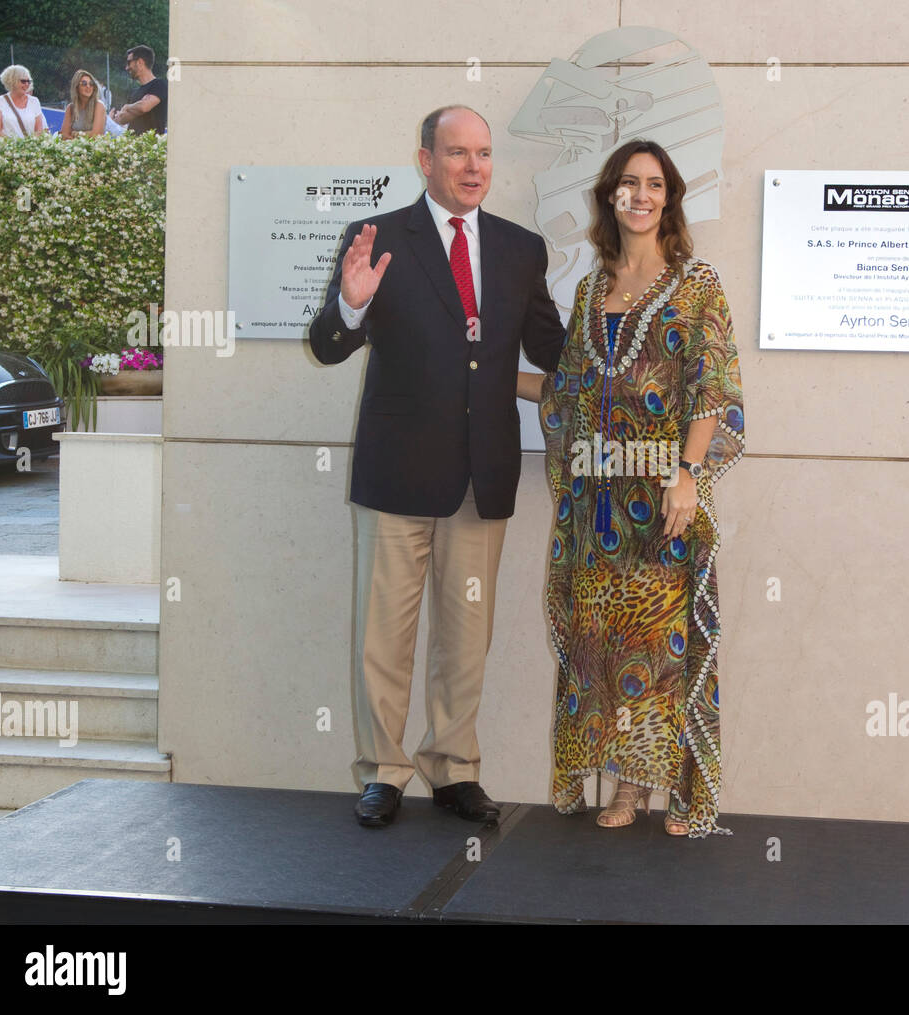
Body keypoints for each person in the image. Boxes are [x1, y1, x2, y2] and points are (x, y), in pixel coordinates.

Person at [308, 105, 564, 828]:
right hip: (397, 476)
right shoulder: (379, 239)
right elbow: (326, 345)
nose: (474, 166)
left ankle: (454, 768)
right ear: (425, 160)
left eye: (483, 153)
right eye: (457, 153)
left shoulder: (520, 249)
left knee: (466, 636)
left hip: (482, 478)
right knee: (383, 635)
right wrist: (351, 308)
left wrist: (626, 332)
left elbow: (553, 348)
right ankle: (384, 772)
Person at [519, 139, 745, 838]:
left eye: (654, 185)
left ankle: (641, 788)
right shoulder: (591, 290)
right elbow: (569, 392)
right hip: (597, 507)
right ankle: (620, 777)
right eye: (628, 183)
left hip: (663, 503)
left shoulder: (698, 284)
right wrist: (484, 374)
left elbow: (714, 388)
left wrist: (686, 473)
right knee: (603, 646)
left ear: (669, 199)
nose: (640, 195)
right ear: (609, 196)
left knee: (659, 646)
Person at [113, 45, 167, 135]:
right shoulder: (134, 92)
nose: (127, 67)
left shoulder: (159, 85)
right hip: (132, 145)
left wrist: (128, 107)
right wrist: (138, 106)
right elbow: (121, 119)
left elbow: (144, 107)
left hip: (151, 146)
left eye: (129, 62)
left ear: (140, 62)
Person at [0, 65, 46, 138]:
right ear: (13, 81)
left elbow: (39, 130)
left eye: (28, 81)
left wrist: (28, 144)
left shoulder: (34, 101)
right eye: (23, 81)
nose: (27, 84)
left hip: (29, 148)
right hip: (5, 147)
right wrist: (15, 145)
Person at [61, 70, 106, 139]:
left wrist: (75, 133)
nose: (88, 86)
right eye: (84, 83)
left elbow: (96, 135)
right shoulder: (70, 108)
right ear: (76, 87)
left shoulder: (99, 106)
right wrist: (87, 134)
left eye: (91, 83)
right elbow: (64, 135)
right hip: (73, 148)